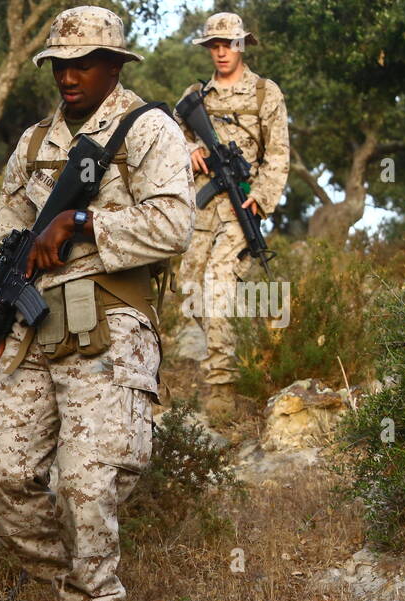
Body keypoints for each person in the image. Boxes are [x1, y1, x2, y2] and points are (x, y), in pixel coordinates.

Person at [0, 6, 194, 601]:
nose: (70, 76)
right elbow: (4, 243)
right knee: (2, 476)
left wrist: (81, 223)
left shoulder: (147, 129)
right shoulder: (34, 141)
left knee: (84, 481)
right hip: (34, 324)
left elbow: (174, 227)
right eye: (61, 65)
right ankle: (79, 583)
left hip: (109, 320)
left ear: (115, 66)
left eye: (85, 63)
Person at [175, 12, 289, 421]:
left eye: (228, 44)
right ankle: (239, 346)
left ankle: (222, 386)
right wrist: (189, 151)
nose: (221, 52)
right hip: (204, 208)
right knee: (188, 289)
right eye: (214, 45)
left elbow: (278, 154)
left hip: (243, 206)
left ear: (242, 45)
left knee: (217, 282)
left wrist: (261, 196)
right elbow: (173, 141)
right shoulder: (195, 97)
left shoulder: (264, 93)